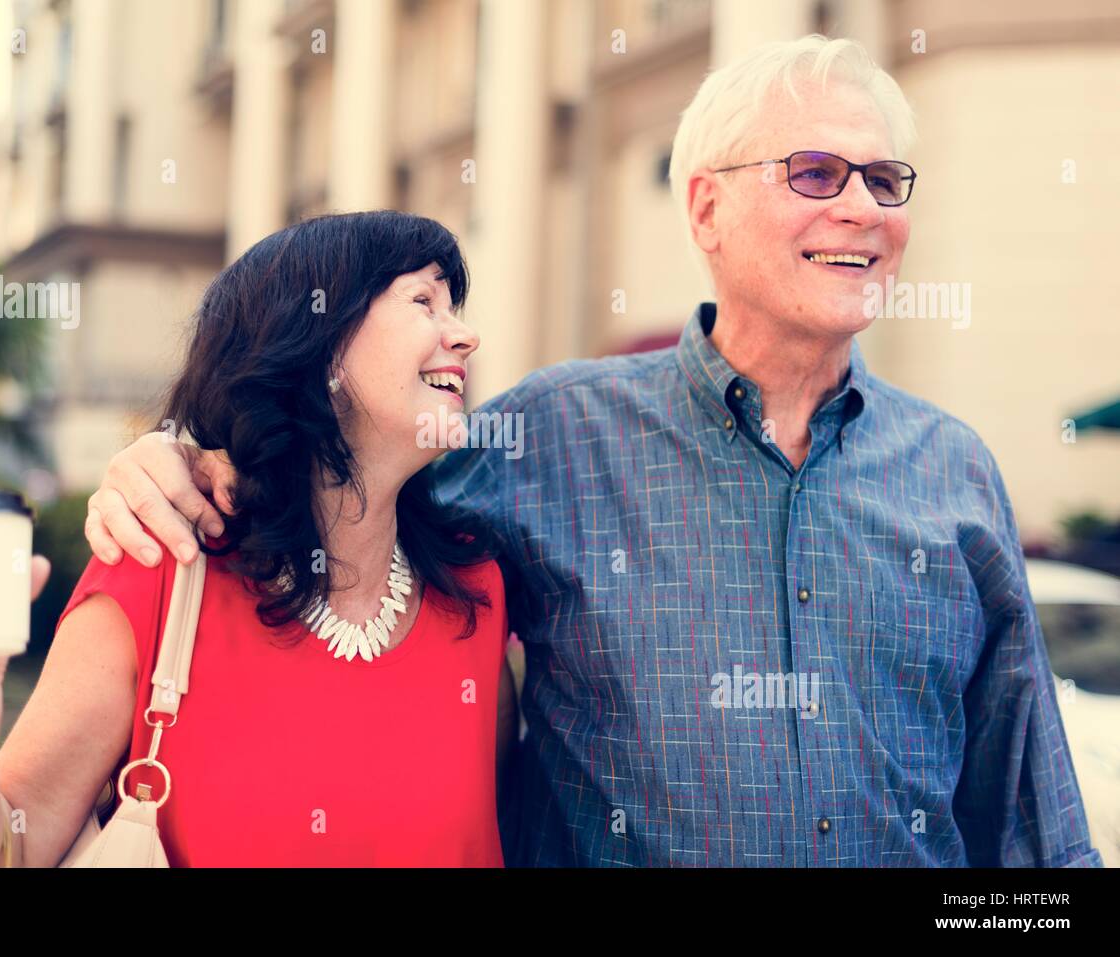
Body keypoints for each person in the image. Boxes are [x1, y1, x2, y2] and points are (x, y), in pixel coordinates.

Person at [83, 36, 1103, 867]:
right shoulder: (549, 439)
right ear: (704, 206)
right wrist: (176, 454)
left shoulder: (951, 468)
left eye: (886, 180)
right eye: (817, 172)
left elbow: (1025, 814)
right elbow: (337, 468)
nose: (863, 209)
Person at [0, 211, 518, 866]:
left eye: (455, 308)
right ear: (317, 338)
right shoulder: (160, 567)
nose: (465, 336)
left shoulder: (477, 592)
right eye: (425, 301)